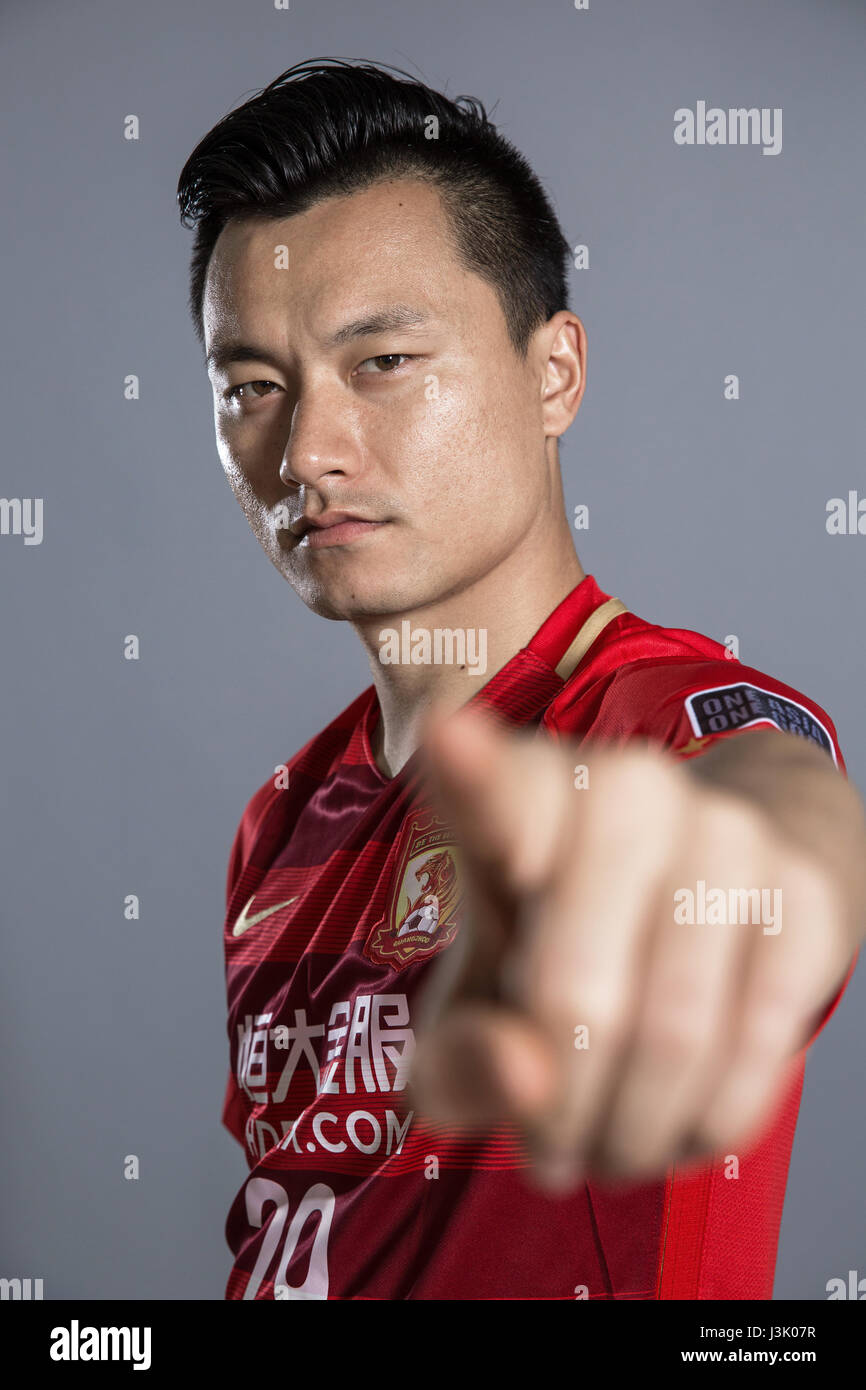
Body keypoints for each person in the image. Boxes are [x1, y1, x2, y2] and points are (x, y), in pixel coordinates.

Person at [176, 58, 865, 1300]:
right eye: (253, 389)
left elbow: (776, 811)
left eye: (381, 360)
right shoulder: (275, 825)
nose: (309, 452)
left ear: (552, 374)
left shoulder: (658, 723)